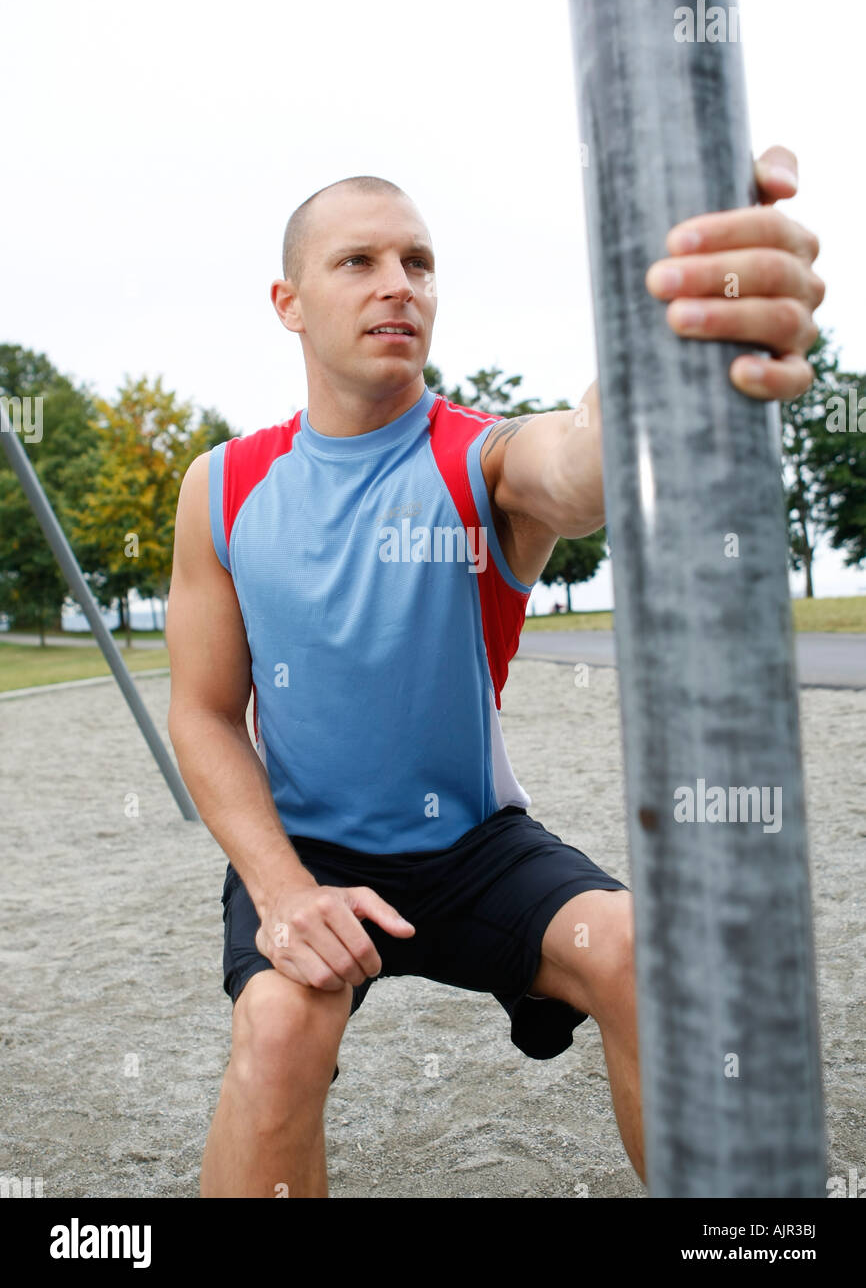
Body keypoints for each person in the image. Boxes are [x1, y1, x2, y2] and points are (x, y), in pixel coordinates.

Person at [165, 152, 824, 1197]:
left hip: (473, 846)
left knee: (640, 958)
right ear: (288, 302)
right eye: (359, 260)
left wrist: (672, 330)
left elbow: (587, 459)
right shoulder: (224, 487)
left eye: (419, 262)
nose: (399, 283)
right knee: (280, 1026)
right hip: (311, 853)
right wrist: (282, 890)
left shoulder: (479, 460)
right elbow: (202, 713)